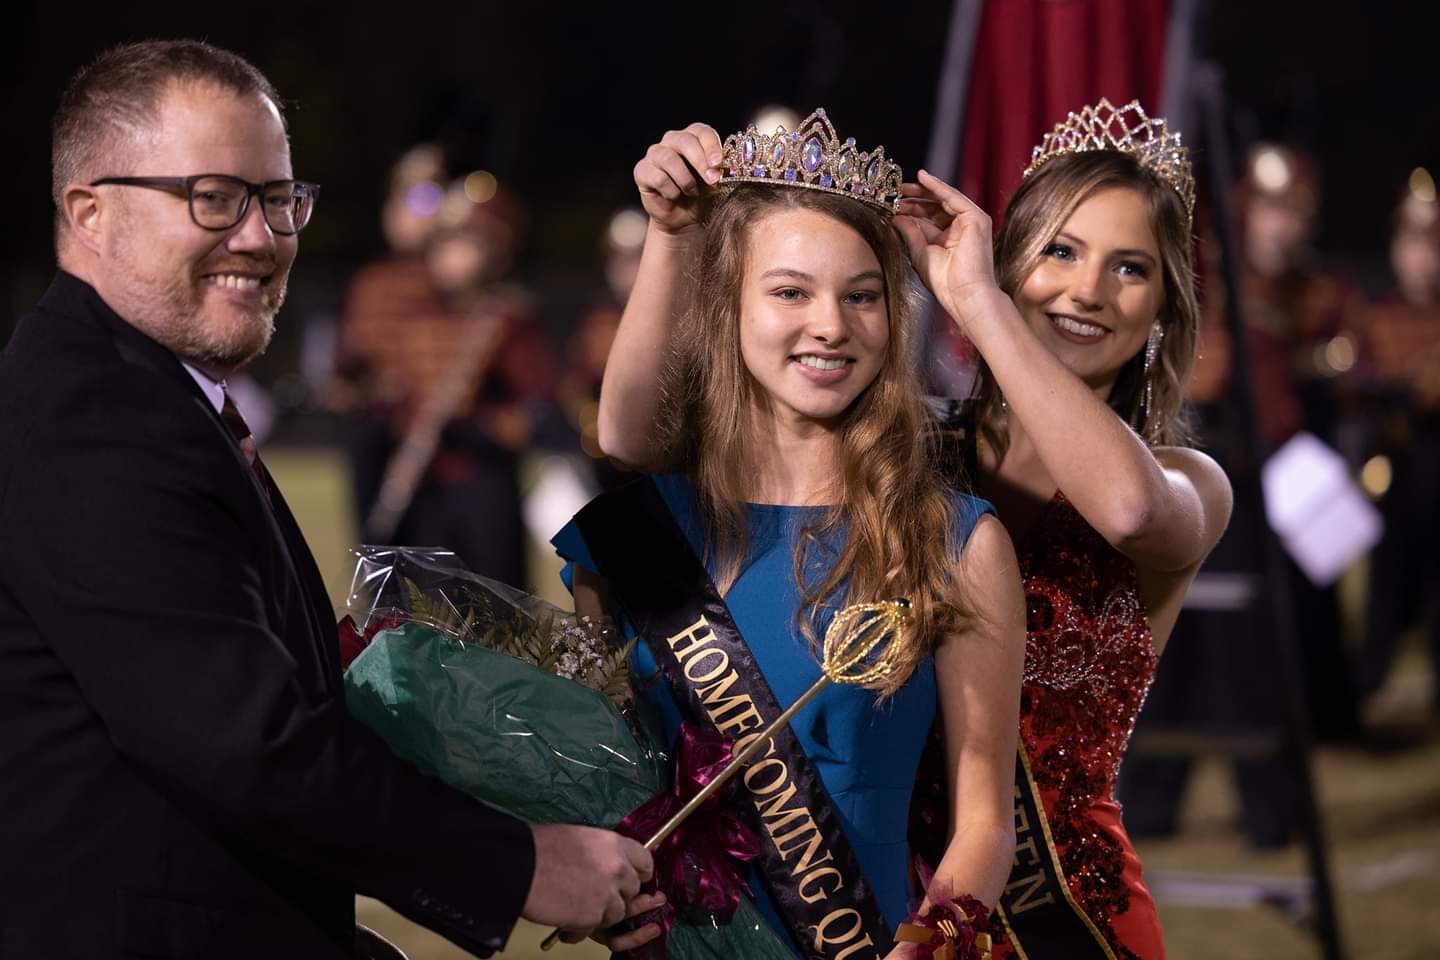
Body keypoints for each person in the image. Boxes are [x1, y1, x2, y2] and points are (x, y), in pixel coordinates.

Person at [0, 39, 652, 959]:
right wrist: (520, 864)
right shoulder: (91, 418)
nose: (262, 237)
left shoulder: (143, 390)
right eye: (213, 197)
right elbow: (250, 748)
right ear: (90, 211)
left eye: (278, 199)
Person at [598, 100, 1232, 959]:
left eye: (1131, 269)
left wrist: (974, 300)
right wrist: (672, 232)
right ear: (1012, 263)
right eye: (1059, 252)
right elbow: (638, 439)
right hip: (860, 877)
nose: (1087, 290)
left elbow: (1125, 509)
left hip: (1057, 910)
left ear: (1165, 304)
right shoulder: (910, 450)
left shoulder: (1185, 482)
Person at [554, 109, 1026, 958]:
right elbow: (599, 789)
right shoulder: (634, 542)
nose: (831, 326)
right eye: (789, 292)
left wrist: (931, 946)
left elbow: (985, 817)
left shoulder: (959, 542)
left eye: (861, 295)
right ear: (725, 308)